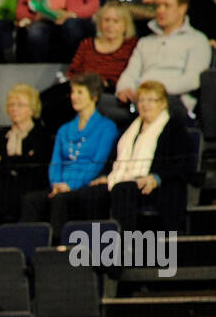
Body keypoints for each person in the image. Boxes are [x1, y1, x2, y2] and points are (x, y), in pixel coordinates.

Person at [81, 80, 194, 238]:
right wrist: (106, 176)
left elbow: (184, 164)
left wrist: (157, 178)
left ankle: (124, 248)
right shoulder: (129, 129)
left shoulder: (174, 128)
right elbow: (115, 159)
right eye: (141, 100)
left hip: (159, 186)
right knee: (94, 192)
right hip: (125, 181)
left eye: (151, 100)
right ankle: (94, 248)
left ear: (162, 103)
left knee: (123, 190)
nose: (145, 105)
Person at [19, 72, 116, 234]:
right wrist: (56, 184)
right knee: (30, 200)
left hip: (85, 185)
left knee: (60, 200)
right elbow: (56, 162)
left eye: (80, 93)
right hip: (60, 186)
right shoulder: (64, 129)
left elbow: (97, 163)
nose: (74, 97)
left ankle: (58, 249)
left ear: (94, 97)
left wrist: (71, 186)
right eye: (72, 92)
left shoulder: (106, 127)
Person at [114, 0, 210, 117]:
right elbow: (130, 73)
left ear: (182, 8)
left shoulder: (197, 40)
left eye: (167, 6)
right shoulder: (145, 42)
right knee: (100, 104)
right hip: (140, 100)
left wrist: (152, 91)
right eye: (158, 6)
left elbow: (193, 80)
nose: (160, 10)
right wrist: (124, 89)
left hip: (172, 100)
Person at [0, 83, 52, 238]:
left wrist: (3, 160)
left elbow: (37, 167)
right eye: (11, 104)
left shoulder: (42, 137)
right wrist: (19, 162)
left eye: (20, 105)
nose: (14, 108)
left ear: (32, 108)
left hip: (29, 187)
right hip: (0, 188)